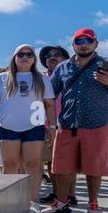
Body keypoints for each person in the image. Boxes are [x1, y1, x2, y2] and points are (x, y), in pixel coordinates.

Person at [40, 28, 108, 213]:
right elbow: (50, 95)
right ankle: (61, 203)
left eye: (87, 40)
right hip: (67, 123)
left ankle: (93, 203)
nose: (83, 44)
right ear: (73, 45)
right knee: (61, 167)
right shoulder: (62, 67)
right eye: (78, 41)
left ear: (95, 43)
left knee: (94, 167)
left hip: (97, 123)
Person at [0, 44, 55, 210]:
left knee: (34, 165)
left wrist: (52, 127)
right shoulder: (2, 78)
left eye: (29, 54)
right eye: (21, 54)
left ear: (34, 59)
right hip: (7, 126)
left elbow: (50, 104)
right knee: (10, 165)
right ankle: (11, 203)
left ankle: (33, 202)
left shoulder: (42, 79)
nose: (25, 57)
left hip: (34, 126)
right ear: (14, 57)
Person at [38, 45, 72, 203]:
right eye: (48, 56)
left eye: (57, 54)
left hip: (67, 125)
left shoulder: (72, 76)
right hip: (44, 126)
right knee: (50, 163)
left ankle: (69, 196)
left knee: (66, 163)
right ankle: (57, 194)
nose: (51, 57)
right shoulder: (40, 78)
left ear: (65, 59)